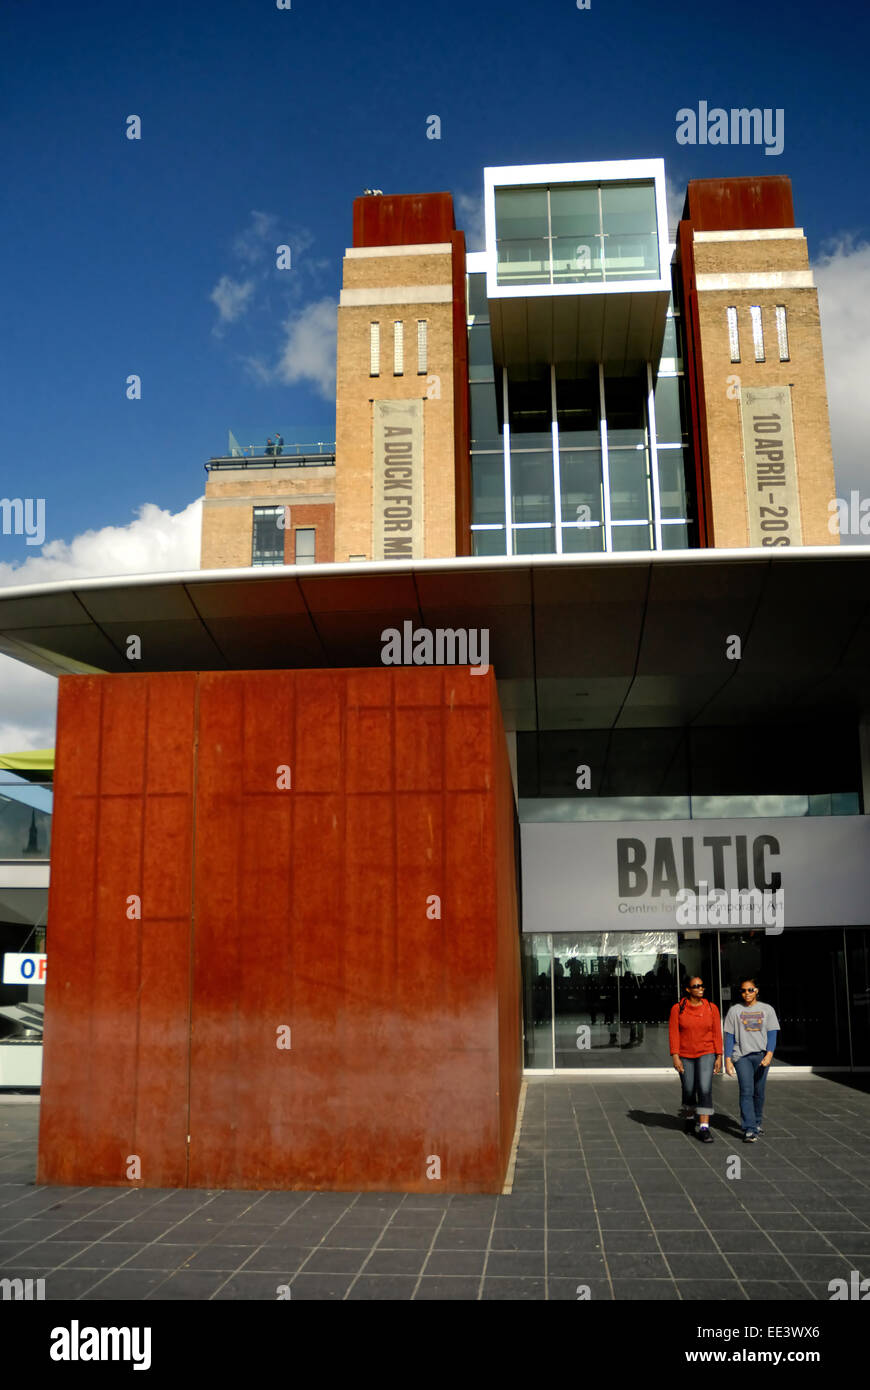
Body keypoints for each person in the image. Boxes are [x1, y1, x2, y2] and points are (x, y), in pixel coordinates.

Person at [723, 978, 780, 1143]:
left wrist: (769, 1054)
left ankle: (757, 1122)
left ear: (756, 991)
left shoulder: (767, 1009)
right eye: (743, 990)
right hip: (741, 1056)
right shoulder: (735, 1011)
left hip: (761, 1056)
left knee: (759, 1092)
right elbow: (729, 1037)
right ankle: (749, 1128)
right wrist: (728, 1059)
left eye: (750, 990)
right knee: (746, 1091)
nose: (746, 993)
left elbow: (772, 1033)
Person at [668, 976, 722, 1143]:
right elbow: (674, 1033)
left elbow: (716, 1033)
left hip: (706, 1052)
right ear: (688, 989)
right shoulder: (678, 1009)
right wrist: (675, 1056)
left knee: (705, 1088)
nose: (700, 988)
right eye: (696, 986)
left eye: (702, 985)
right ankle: (690, 1119)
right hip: (685, 1054)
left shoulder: (711, 1008)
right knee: (689, 1088)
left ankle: (704, 1128)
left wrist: (719, 1055)